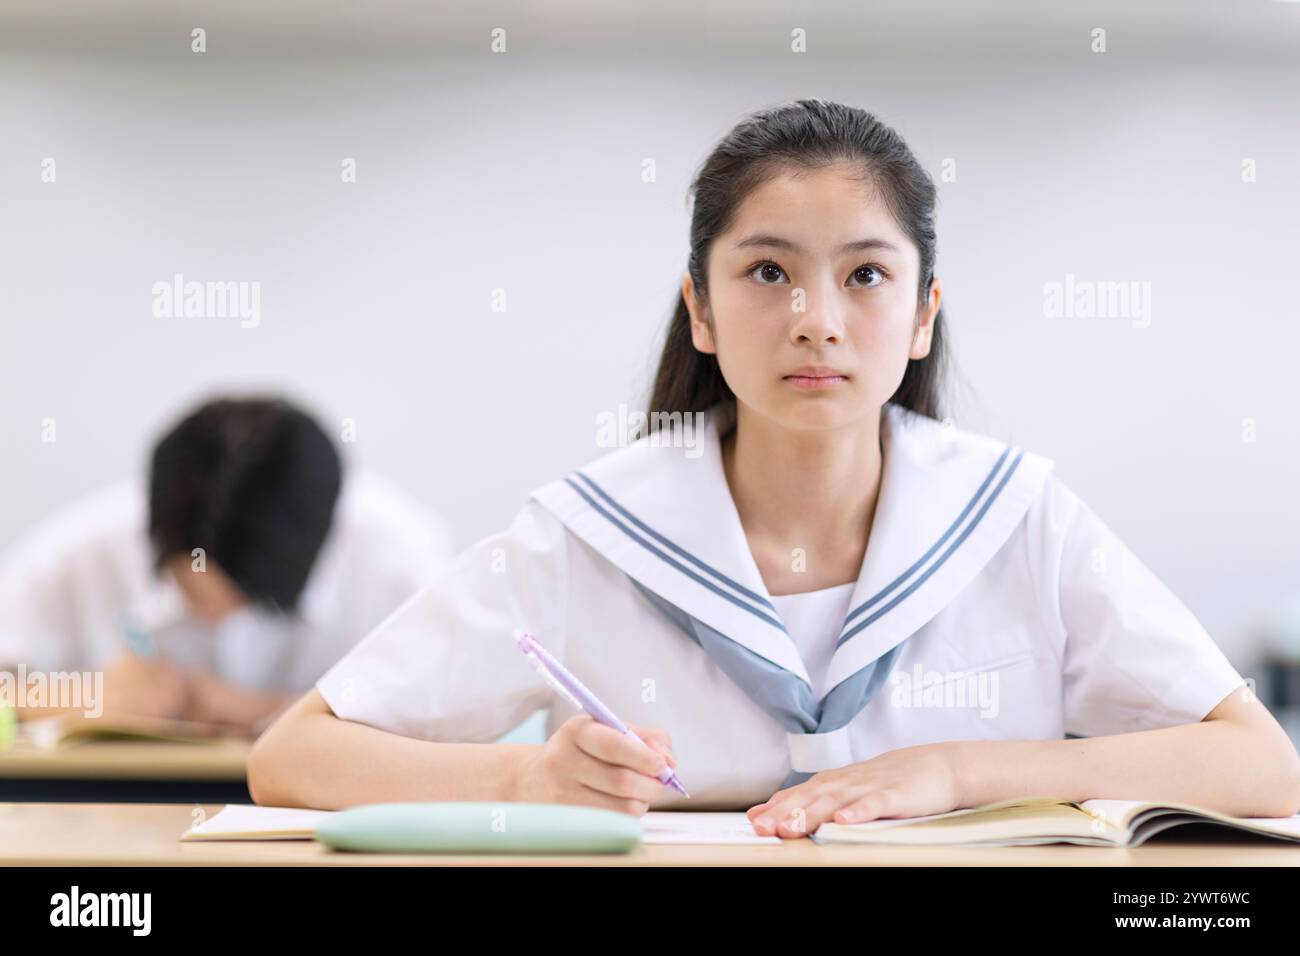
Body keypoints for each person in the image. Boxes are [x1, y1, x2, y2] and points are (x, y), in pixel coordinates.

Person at [248, 100, 1300, 834]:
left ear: (923, 314)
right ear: (699, 309)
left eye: (866, 275)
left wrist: (960, 768)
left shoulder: (1017, 515)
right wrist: (525, 772)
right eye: (767, 271)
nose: (818, 322)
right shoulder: (592, 530)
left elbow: (1259, 764)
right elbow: (294, 755)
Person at [0, 396, 453, 734]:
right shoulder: (80, 552)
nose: (215, 620)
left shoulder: (401, 557)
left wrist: (278, 710)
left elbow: (457, 721)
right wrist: (80, 698)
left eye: (244, 602)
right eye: (190, 591)